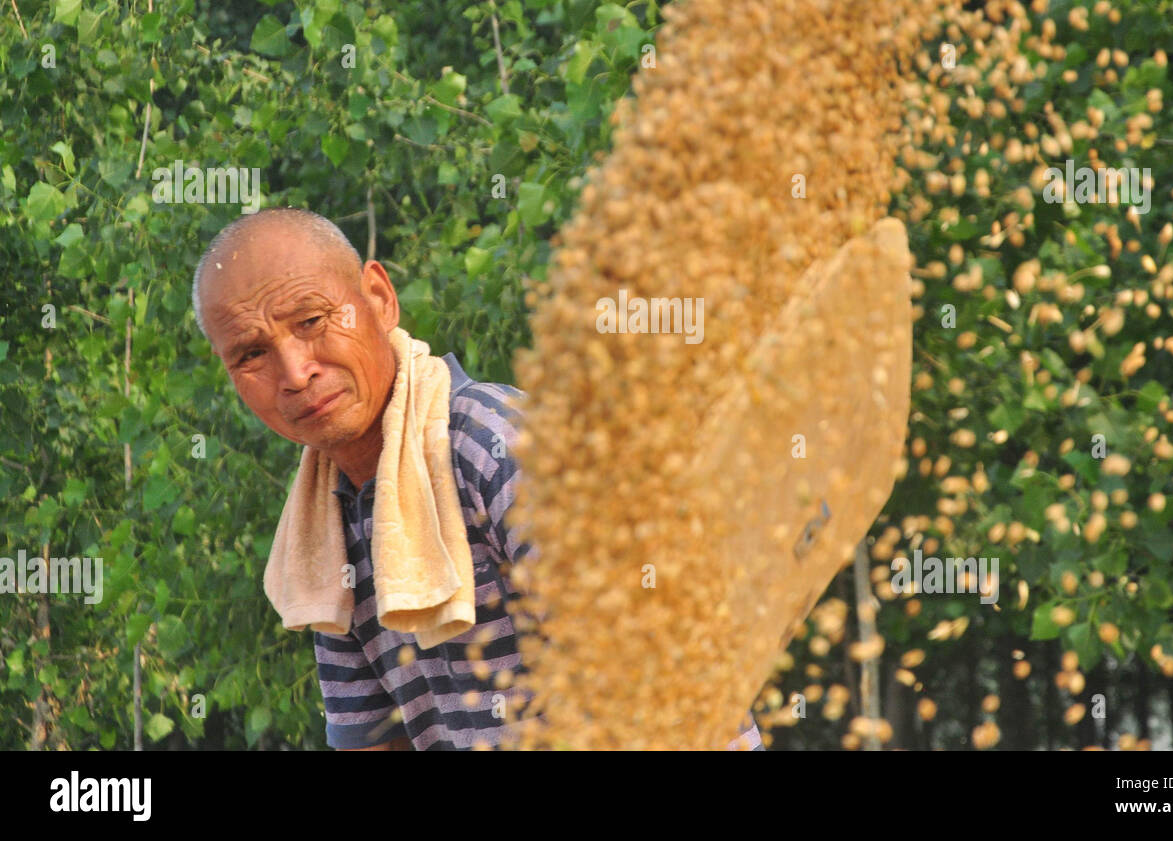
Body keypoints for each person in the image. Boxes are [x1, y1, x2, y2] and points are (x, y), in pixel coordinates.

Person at [192, 208, 763, 750]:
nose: (295, 372)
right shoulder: (323, 526)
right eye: (251, 355)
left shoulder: (501, 448)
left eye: (312, 321)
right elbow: (376, 741)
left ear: (379, 298)